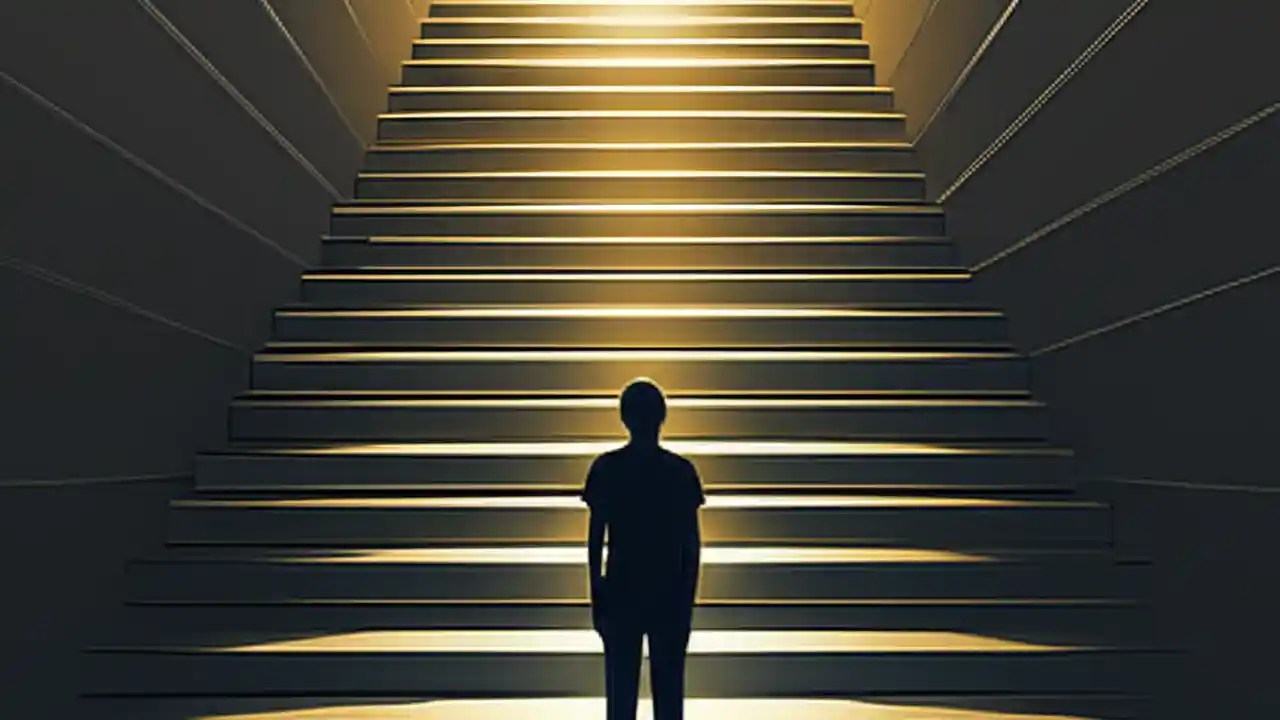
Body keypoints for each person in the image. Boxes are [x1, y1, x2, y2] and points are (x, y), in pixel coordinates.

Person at [582, 377, 705, 720]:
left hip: (622, 590)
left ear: (625, 418)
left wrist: (597, 595)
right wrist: (687, 600)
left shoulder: (606, 469)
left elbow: (595, 541)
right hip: (667, 593)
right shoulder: (681, 472)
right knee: (669, 699)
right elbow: (692, 546)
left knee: (620, 699)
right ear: (661, 417)